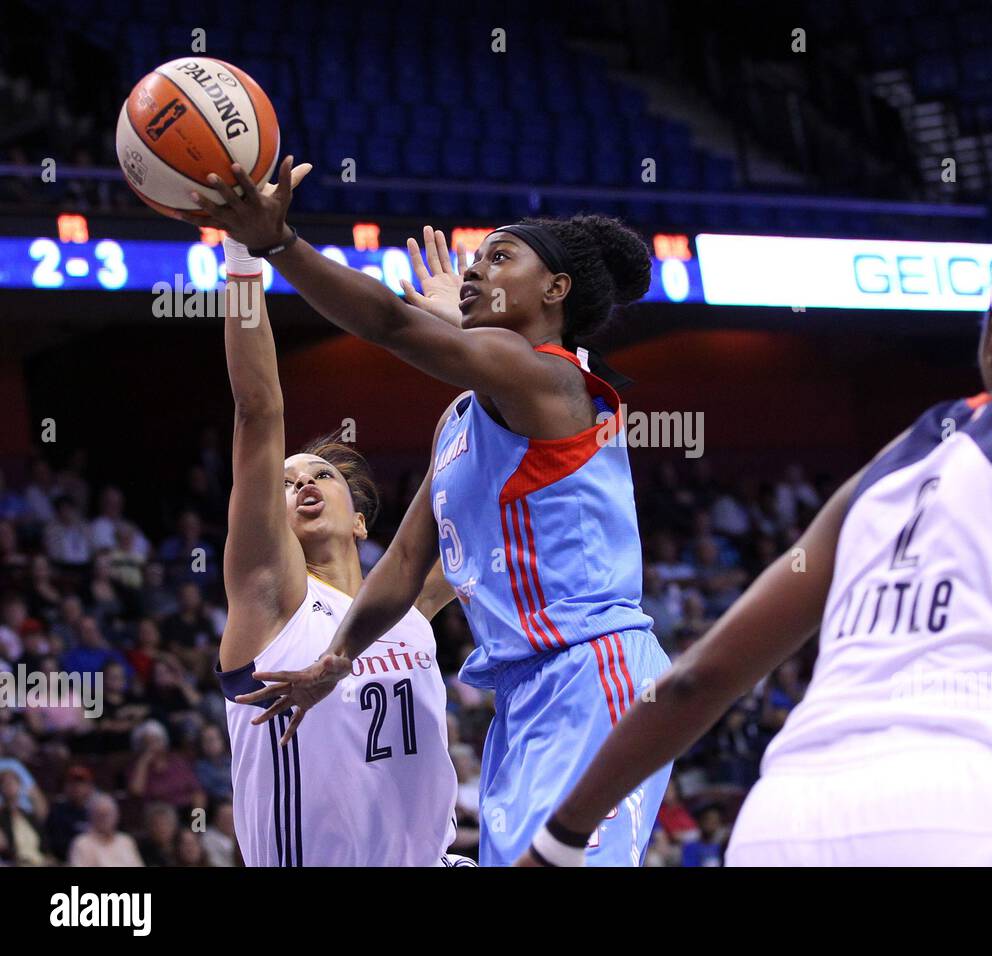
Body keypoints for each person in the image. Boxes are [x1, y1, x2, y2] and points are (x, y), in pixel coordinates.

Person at [514, 223, 992, 866]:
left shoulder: (887, 468)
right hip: (984, 816)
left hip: (783, 824)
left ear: (991, 337)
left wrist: (558, 840)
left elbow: (697, 680)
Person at [198, 158, 671, 866]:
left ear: (556, 288)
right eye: (473, 261)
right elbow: (408, 560)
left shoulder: (553, 377)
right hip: (521, 697)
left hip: (590, 668)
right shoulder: (461, 419)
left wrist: (277, 245)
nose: (476, 271)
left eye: (499, 258)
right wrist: (337, 661)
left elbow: (392, 324)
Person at [181, 167, 461, 866]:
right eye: (286, 482)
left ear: (362, 522)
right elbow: (259, 411)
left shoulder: (408, 607)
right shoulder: (269, 599)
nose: (302, 481)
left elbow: (482, 455)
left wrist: (471, 333)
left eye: (323, 475)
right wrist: (244, 254)